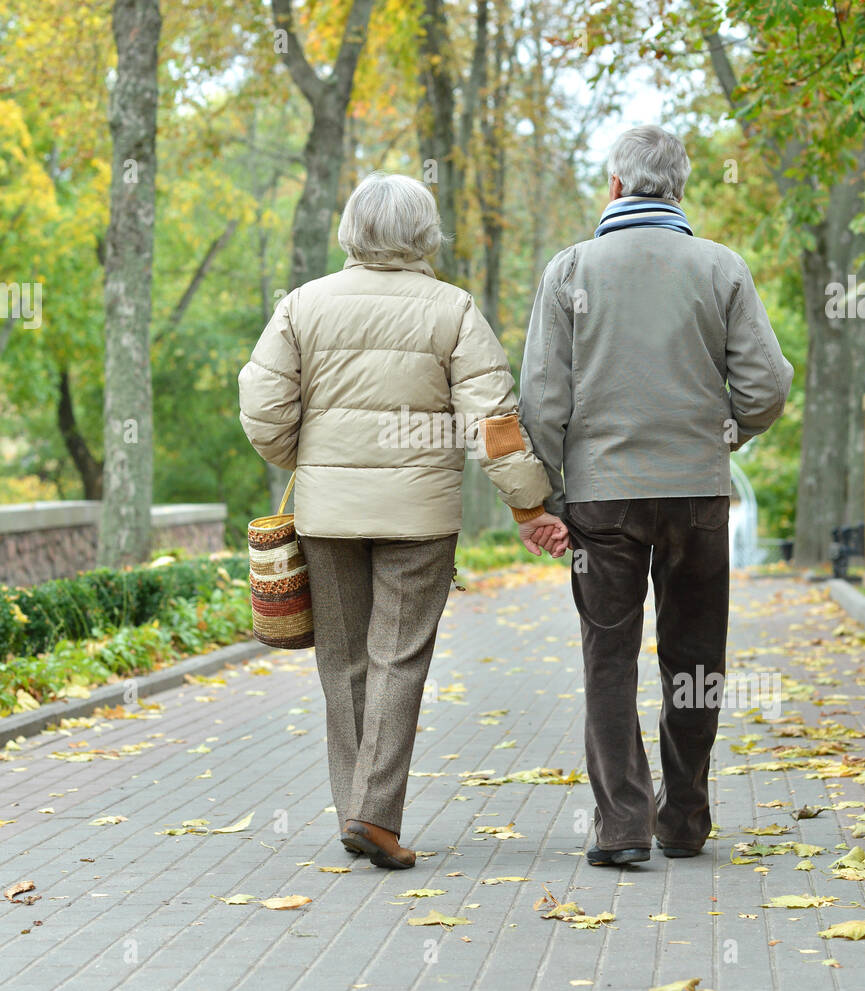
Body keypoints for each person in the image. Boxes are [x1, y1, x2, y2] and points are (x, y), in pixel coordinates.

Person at [238, 172, 567, 869]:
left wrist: (309, 456)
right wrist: (528, 502)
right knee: (398, 659)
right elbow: (494, 424)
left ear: (350, 230)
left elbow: (263, 408)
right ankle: (374, 815)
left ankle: (358, 814)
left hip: (326, 517)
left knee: (344, 663)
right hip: (419, 518)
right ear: (425, 234)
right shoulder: (451, 310)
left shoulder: (302, 306)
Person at [520, 125, 793, 867]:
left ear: (613, 187)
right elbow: (767, 385)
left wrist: (545, 495)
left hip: (601, 501)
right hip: (696, 495)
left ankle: (620, 827)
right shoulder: (718, 267)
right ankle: (684, 820)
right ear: (680, 187)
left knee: (608, 658)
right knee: (695, 659)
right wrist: (720, 435)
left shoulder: (569, 270)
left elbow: (541, 398)